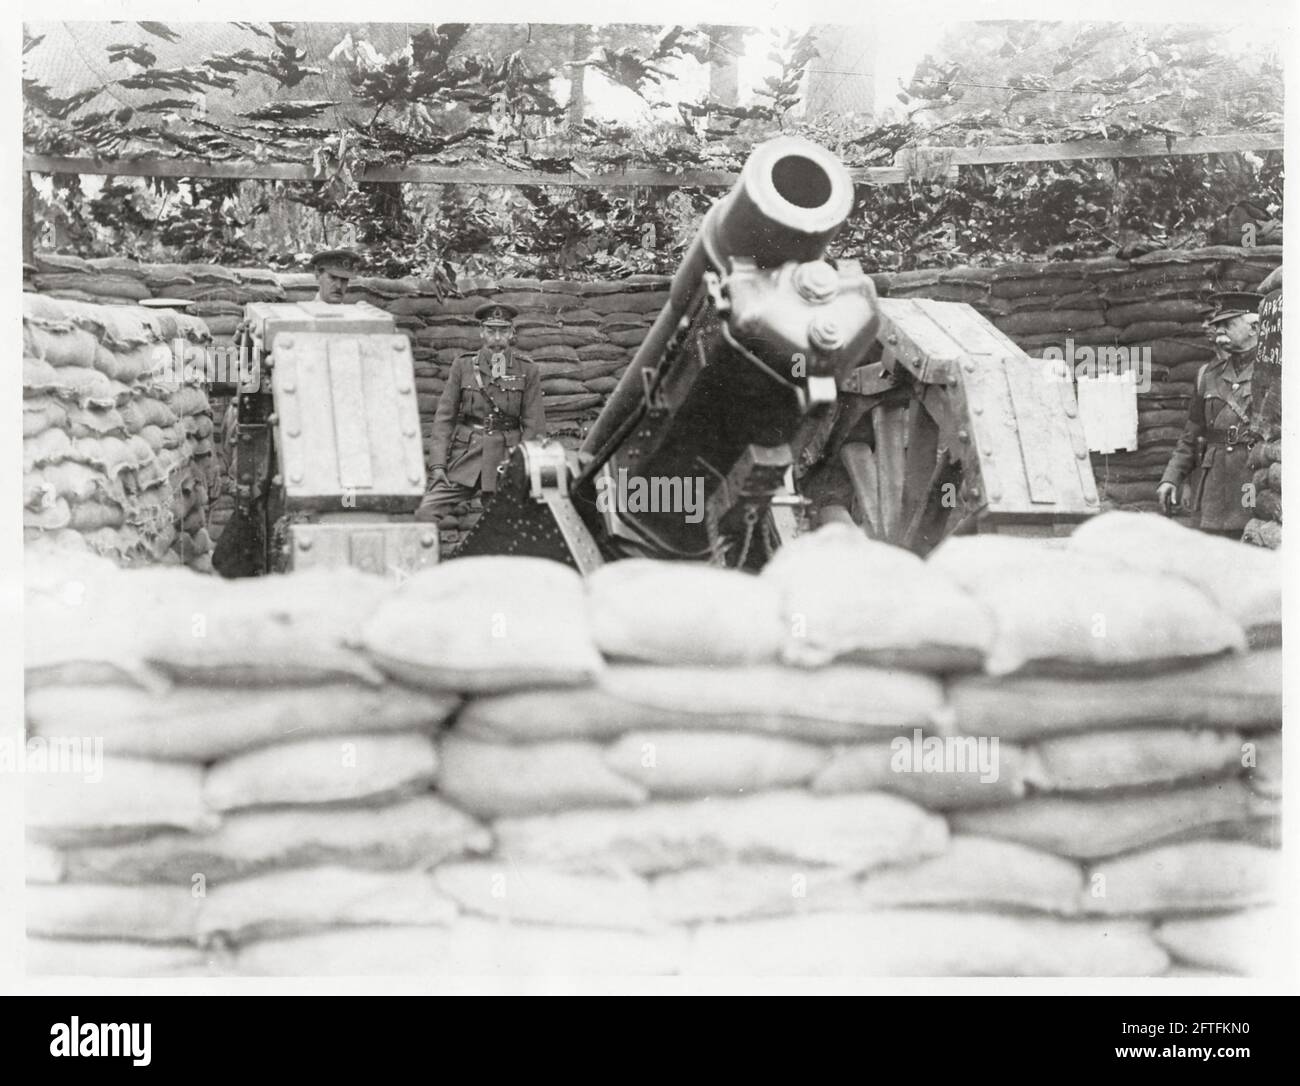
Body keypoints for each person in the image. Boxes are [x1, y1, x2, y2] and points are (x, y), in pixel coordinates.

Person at [415, 302, 546, 524]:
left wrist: (520, 467)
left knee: (503, 526)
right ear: (482, 332)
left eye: (503, 331)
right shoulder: (463, 366)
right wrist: (438, 464)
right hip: (466, 455)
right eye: (491, 331)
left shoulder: (527, 370)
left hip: (506, 458)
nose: (497, 338)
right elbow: (444, 419)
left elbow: (534, 425)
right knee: (425, 513)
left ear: (512, 333)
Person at [1156, 290, 1263, 536]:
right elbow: (1191, 434)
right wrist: (1171, 478)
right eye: (1218, 325)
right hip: (1213, 493)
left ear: (1254, 328)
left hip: (1251, 485)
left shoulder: (1274, 373)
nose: (1219, 331)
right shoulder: (1208, 375)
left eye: (1228, 324)